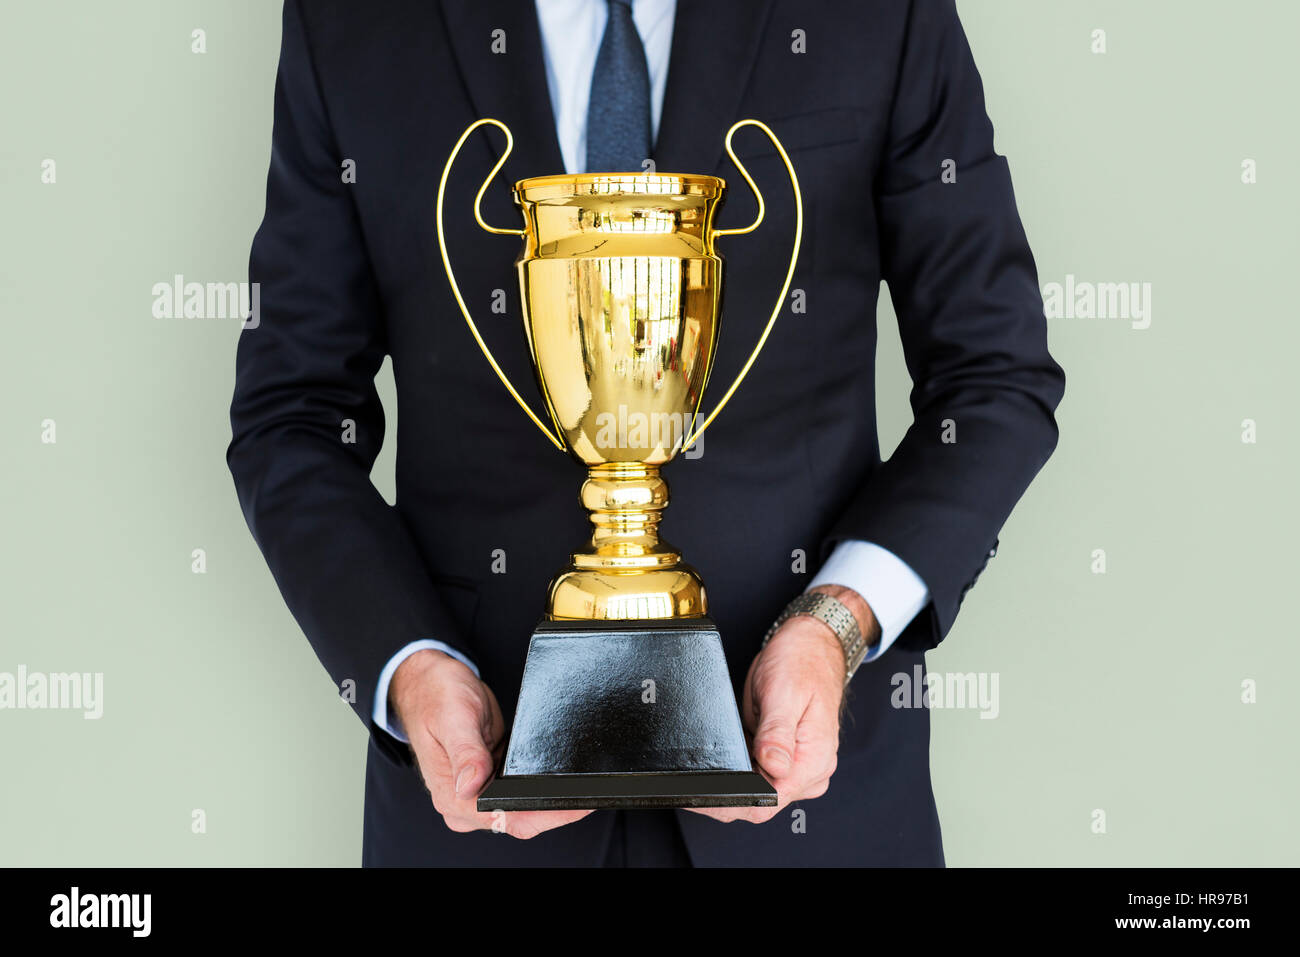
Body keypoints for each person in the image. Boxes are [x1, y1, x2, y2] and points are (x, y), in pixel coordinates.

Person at [228, 0, 1065, 867]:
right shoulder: (350, 23)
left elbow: (995, 378)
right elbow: (291, 416)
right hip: (478, 824)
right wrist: (409, 666)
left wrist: (837, 623)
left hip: (818, 819)